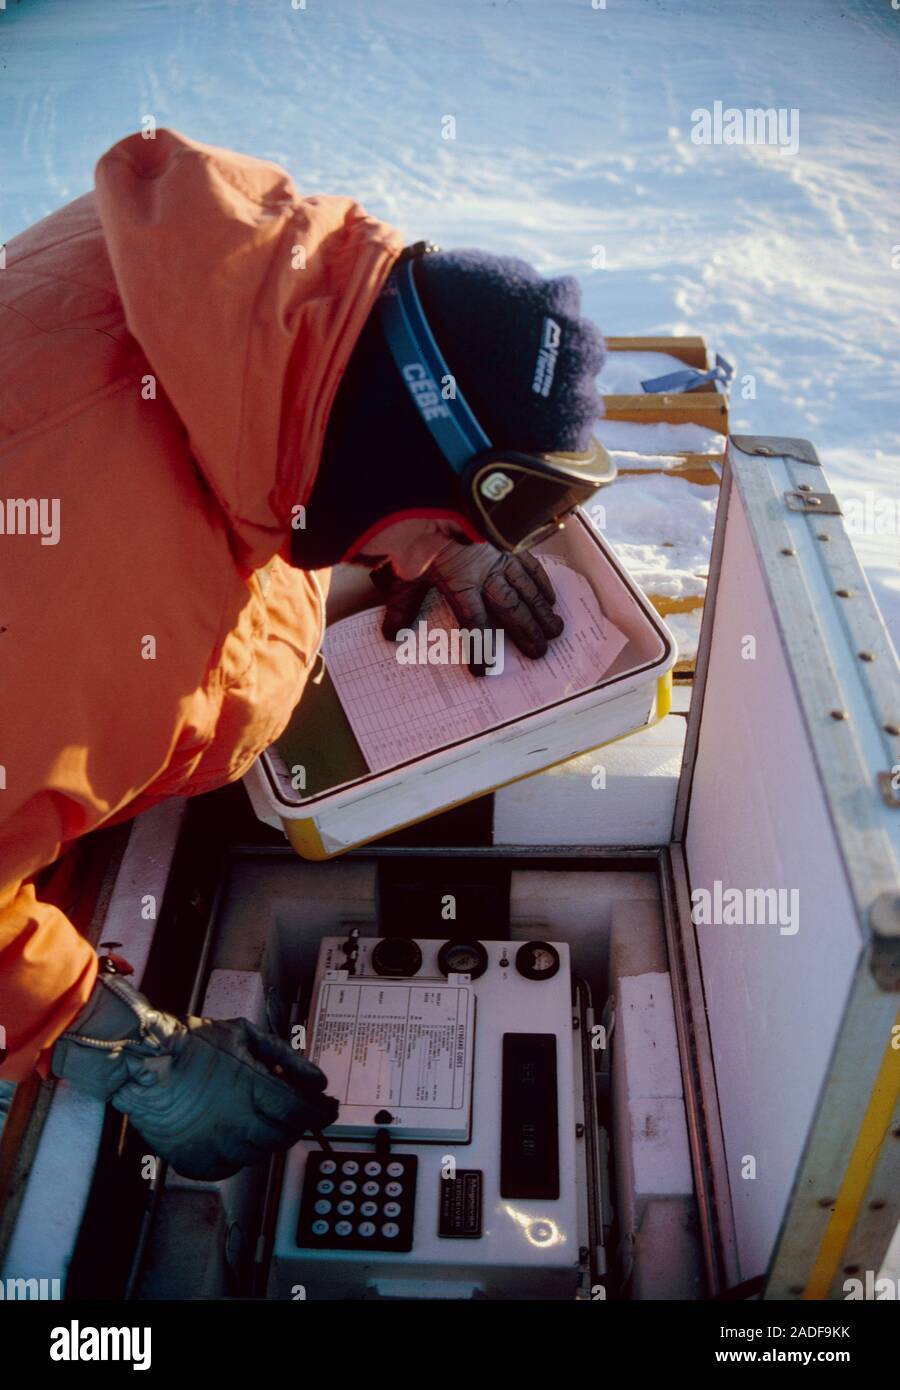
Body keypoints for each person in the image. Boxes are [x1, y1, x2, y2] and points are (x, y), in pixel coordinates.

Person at [0, 129, 612, 1179]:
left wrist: (423, 546)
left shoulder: (256, 303)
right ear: (388, 455)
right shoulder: (90, 609)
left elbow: (284, 457)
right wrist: (112, 1042)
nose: (427, 556)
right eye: (446, 525)